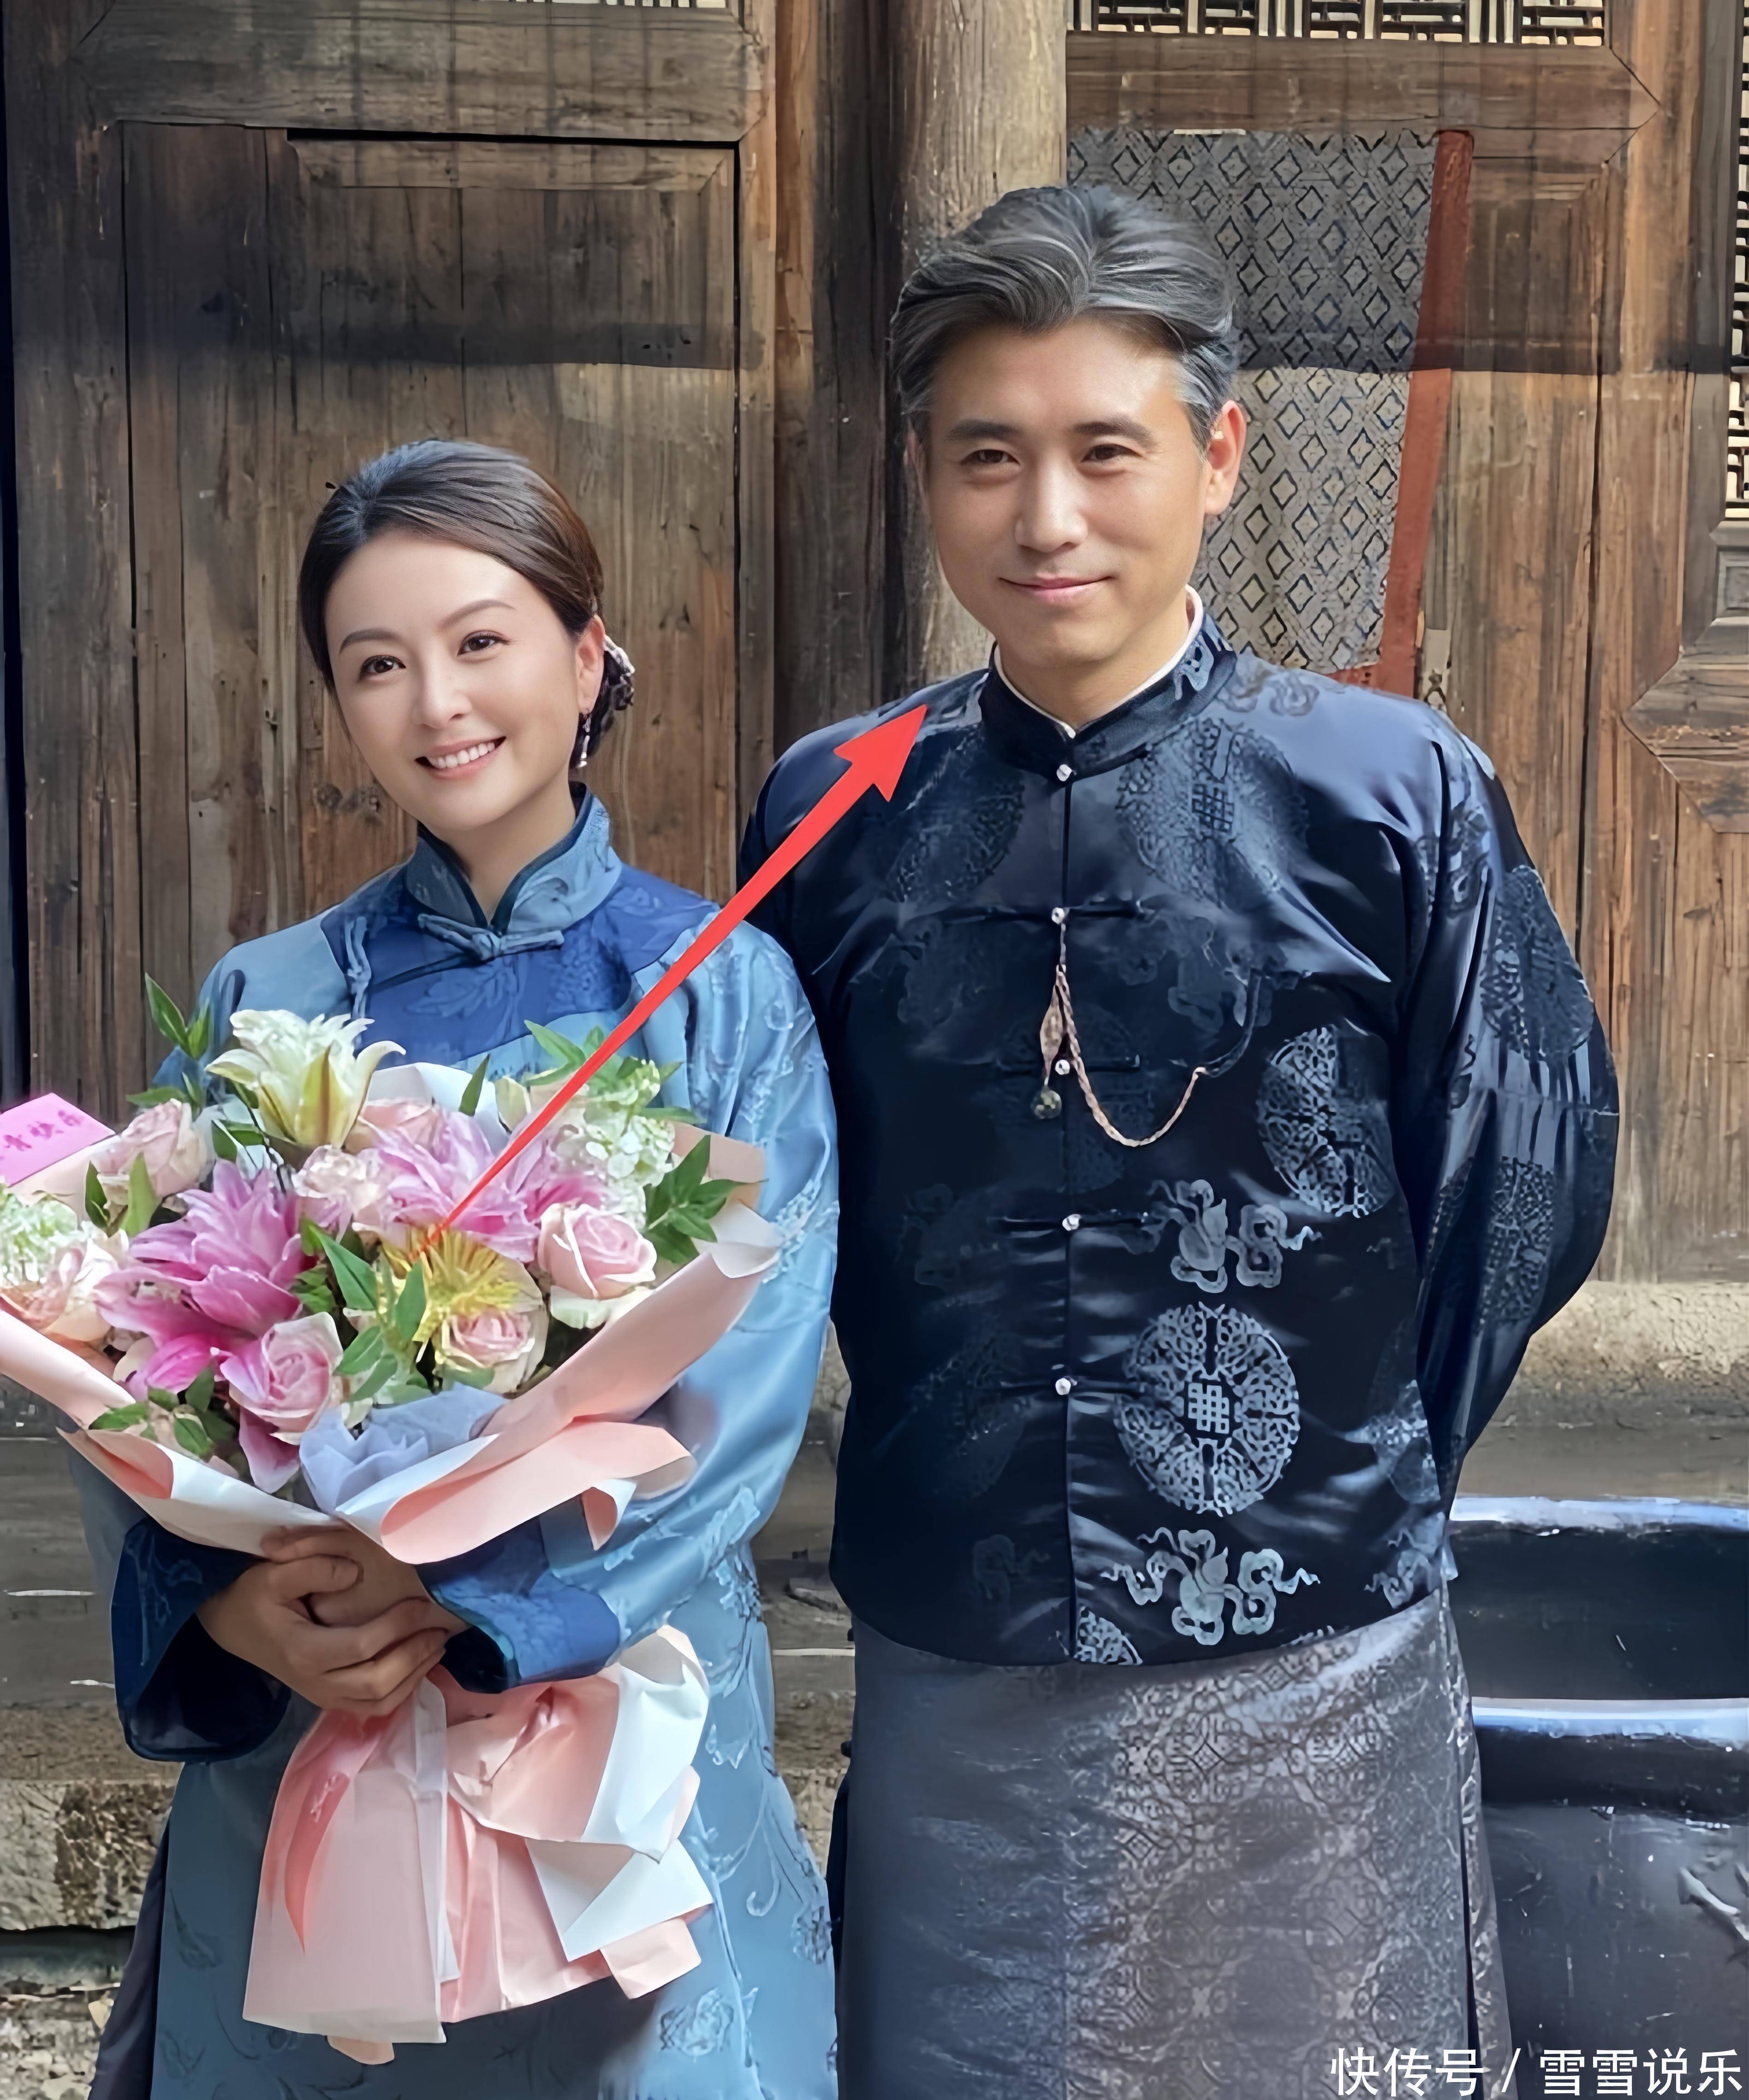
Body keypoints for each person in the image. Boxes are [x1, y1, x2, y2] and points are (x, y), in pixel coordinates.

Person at [741, 185, 1618, 2100]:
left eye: (1105, 452)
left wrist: (1343, 1467)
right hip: (960, 1623)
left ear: (1219, 458)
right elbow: (773, 1196)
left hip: (1308, 1646)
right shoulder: (833, 812)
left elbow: (1521, 1185)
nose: (1047, 519)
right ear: (924, 476)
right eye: (989, 458)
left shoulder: (1391, 791)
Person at [77, 439, 839, 2100]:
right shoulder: (267, 999)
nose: (437, 703)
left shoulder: (723, 992)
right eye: (377, 664)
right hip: (323, 1702)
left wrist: (479, 1610)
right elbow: (134, 1346)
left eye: (481, 641)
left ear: (587, 652)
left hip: (611, 1717)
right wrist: (234, 1604)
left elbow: (742, 1396)